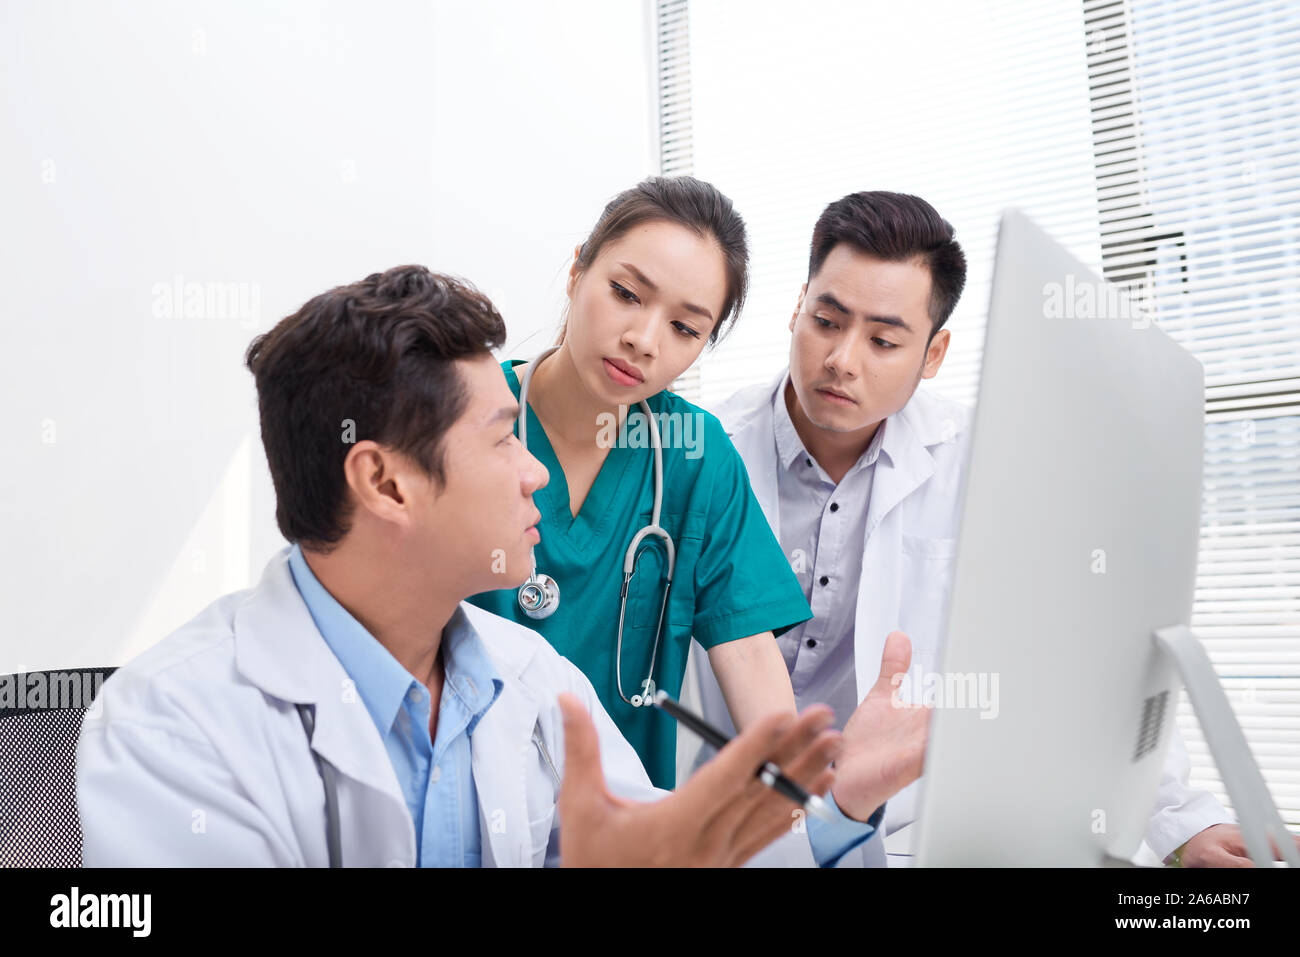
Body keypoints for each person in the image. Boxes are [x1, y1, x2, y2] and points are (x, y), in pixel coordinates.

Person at [75, 265, 911, 867]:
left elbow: (675, 851)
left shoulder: (529, 681)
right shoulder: (170, 725)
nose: (536, 470)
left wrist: (844, 804)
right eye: (504, 436)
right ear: (386, 481)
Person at [690, 190, 1292, 867]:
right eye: (827, 320)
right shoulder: (706, 454)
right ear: (798, 306)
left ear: (935, 351)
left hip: (902, 834)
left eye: (885, 340)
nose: (843, 359)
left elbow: (1080, 645)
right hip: (721, 820)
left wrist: (1180, 824)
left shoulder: (986, 459)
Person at [465, 177, 925, 854]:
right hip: (458, 817)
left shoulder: (697, 461)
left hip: (622, 842)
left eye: (685, 327)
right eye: (626, 293)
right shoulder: (467, 417)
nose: (644, 340)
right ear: (577, 269)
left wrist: (821, 789)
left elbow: (760, 693)